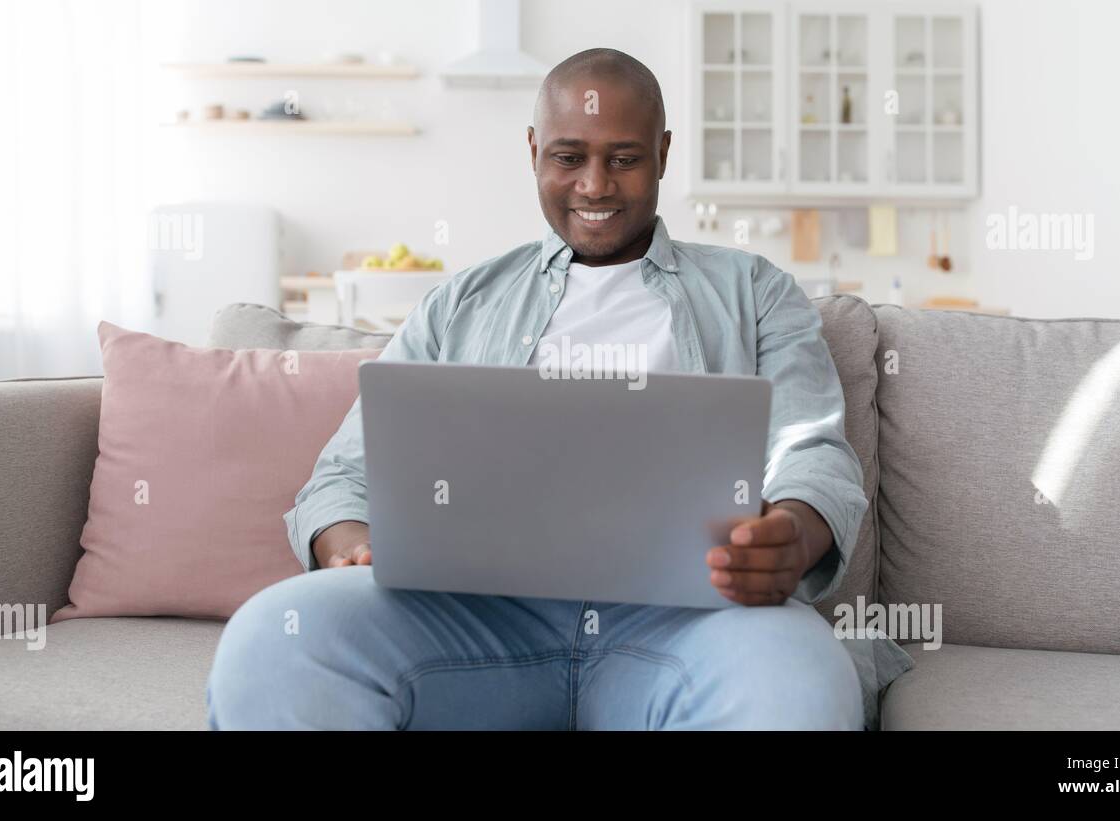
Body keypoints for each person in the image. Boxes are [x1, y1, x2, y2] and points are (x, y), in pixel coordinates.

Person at [206, 48, 911, 730]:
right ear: (534, 150)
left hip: (694, 624)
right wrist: (351, 545)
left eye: (625, 158)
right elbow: (342, 475)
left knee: (799, 680)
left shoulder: (753, 291)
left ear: (664, 154)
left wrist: (792, 530)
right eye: (569, 156)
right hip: (475, 620)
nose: (596, 185)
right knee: (273, 639)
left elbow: (811, 449)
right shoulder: (461, 302)